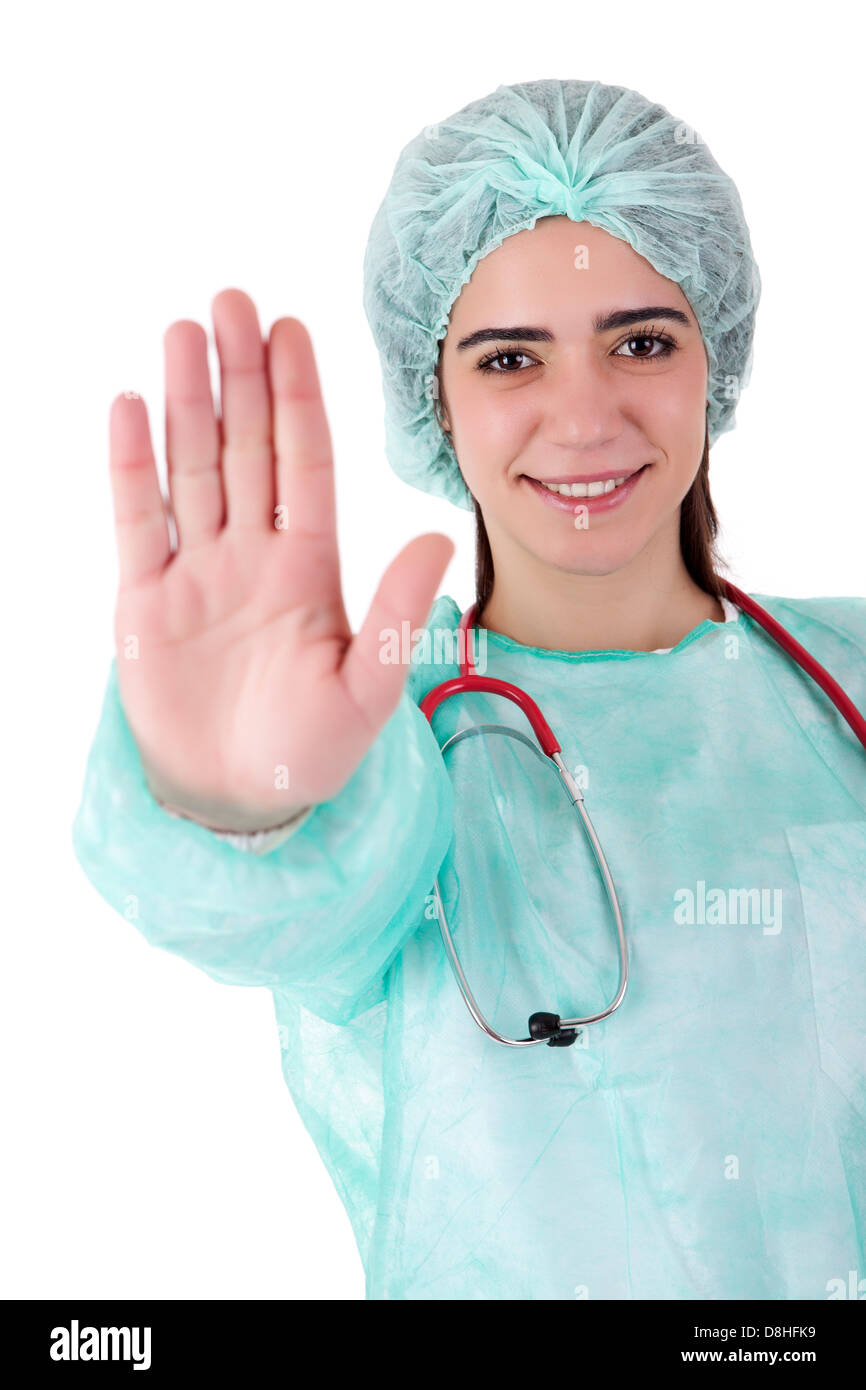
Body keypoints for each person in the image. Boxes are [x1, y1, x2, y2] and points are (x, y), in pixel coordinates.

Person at [73, 78, 866, 1301]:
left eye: (641, 340)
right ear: (431, 392)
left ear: (716, 352)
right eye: (509, 358)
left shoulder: (843, 683)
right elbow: (289, 905)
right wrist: (242, 799)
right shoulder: (393, 742)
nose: (584, 414)